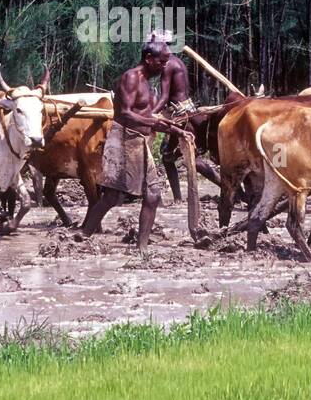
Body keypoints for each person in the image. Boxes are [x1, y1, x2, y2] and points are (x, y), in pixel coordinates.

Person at [80, 40, 191, 249]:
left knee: (153, 194)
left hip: (139, 142)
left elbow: (147, 117)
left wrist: (177, 130)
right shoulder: (131, 77)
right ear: (149, 59)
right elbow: (124, 113)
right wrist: (153, 121)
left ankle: (141, 248)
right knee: (112, 196)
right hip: (123, 139)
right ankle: (84, 235)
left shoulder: (149, 85)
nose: (165, 66)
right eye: (161, 61)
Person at [145, 29, 222, 198]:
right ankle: (178, 197)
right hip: (183, 111)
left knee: (190, 158)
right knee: (168, 156)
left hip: (180, 114)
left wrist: (150, 114)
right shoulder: (176, 62)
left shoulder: (168, 65)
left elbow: (164, 97)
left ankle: (228, 188)